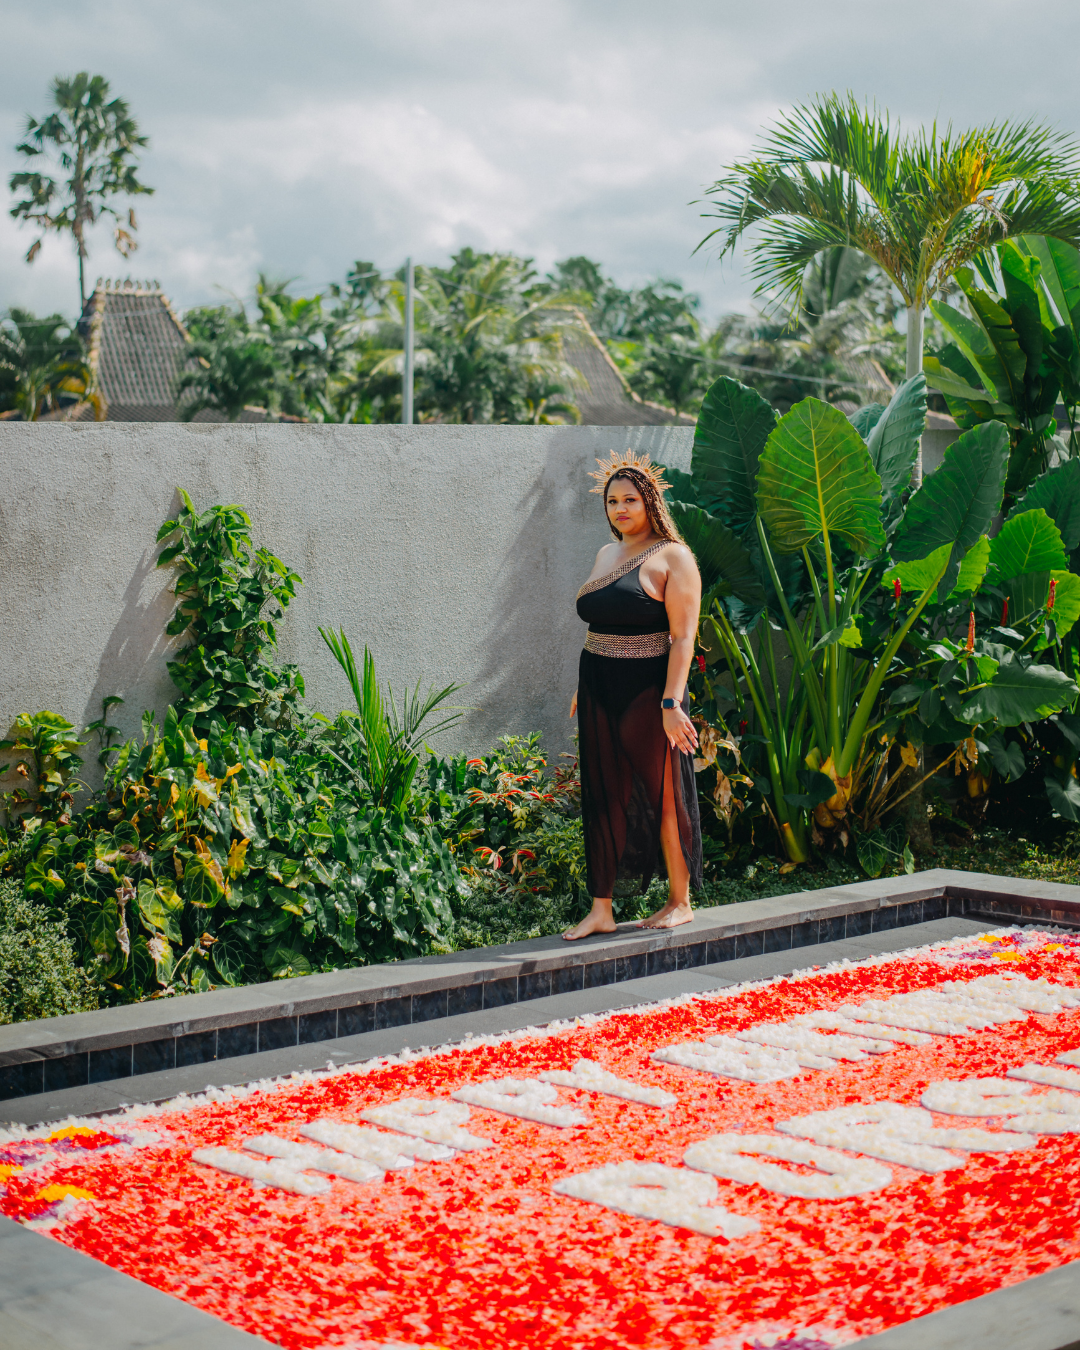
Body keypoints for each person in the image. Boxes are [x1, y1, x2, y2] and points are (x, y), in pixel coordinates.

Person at [564, 450, 703, 941]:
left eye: (631, 499)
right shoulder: (606, 555)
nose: (621, 508)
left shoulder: (674, 557)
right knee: (604, 796)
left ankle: (680, 901)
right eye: (613, 500)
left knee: (663, 794)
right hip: (599, 684)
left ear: (651, 502)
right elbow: (601, 624)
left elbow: (683, 637)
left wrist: (671, 704)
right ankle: (602, 909)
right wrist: (585, 688)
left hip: (649, 691)